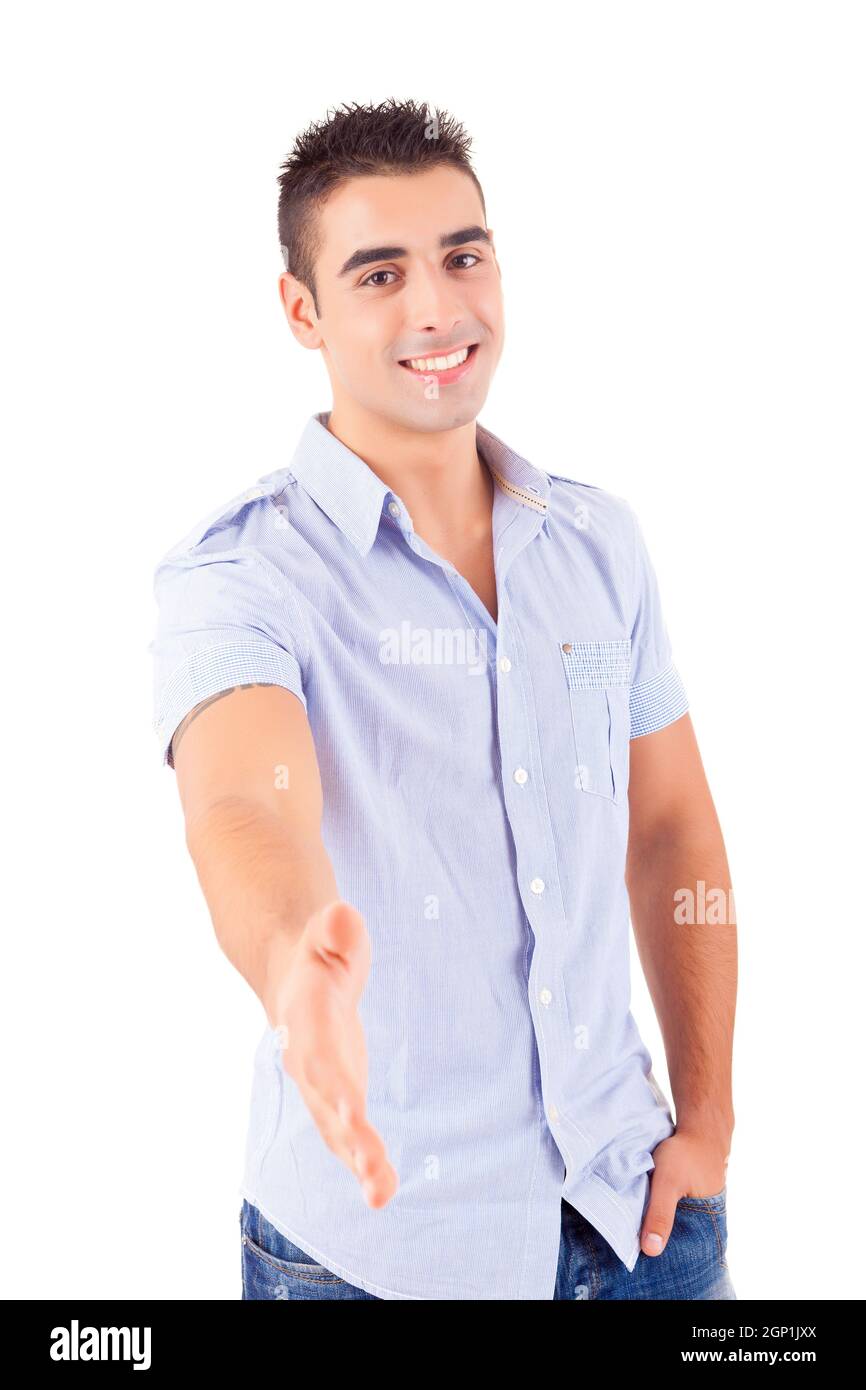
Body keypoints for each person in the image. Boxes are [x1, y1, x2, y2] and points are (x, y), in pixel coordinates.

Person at [149, 98, 737, 1301]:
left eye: (461, 255)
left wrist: (710, 1119)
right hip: (377, 1257)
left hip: (641, 1224)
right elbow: (242, 804)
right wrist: (289, 961)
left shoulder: (595, 543)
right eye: (379, 273)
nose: (436, 308)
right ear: (301, 312)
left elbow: (670, 828)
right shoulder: (243, 573)